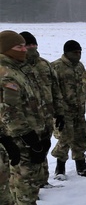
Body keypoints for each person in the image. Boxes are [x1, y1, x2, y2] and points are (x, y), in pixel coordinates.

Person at [0, 31, 48, 205]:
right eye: (19, 47)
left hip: (29, 131)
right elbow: (9, 110)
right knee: (25, 179)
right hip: (19, 136)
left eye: (24, 46)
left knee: (24, 178)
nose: (24, 50)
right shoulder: (7, 74)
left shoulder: (18, 69)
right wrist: (27, 135)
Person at [50, 39, 86, 177]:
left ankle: (81, 165)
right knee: (65, 138)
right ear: (66, 52)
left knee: (80, 136)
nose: (78, 55)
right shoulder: (56, 67)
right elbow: (52, 90)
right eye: (75, 52)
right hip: (63, 110)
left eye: (80, 52)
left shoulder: (79, 66)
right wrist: (57, 110)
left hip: (79, 109)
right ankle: (60, 168)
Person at [21, 31, 63, 188]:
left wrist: (59, 113)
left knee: (43, 148)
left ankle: (42, 181)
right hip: (26, 120)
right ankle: (27, 189)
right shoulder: (17, 68)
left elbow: (55, 90)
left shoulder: (45, 65)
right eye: (28, 45)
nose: (32, 47)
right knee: (28, 154)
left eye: (33, 44)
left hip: (46, 117)